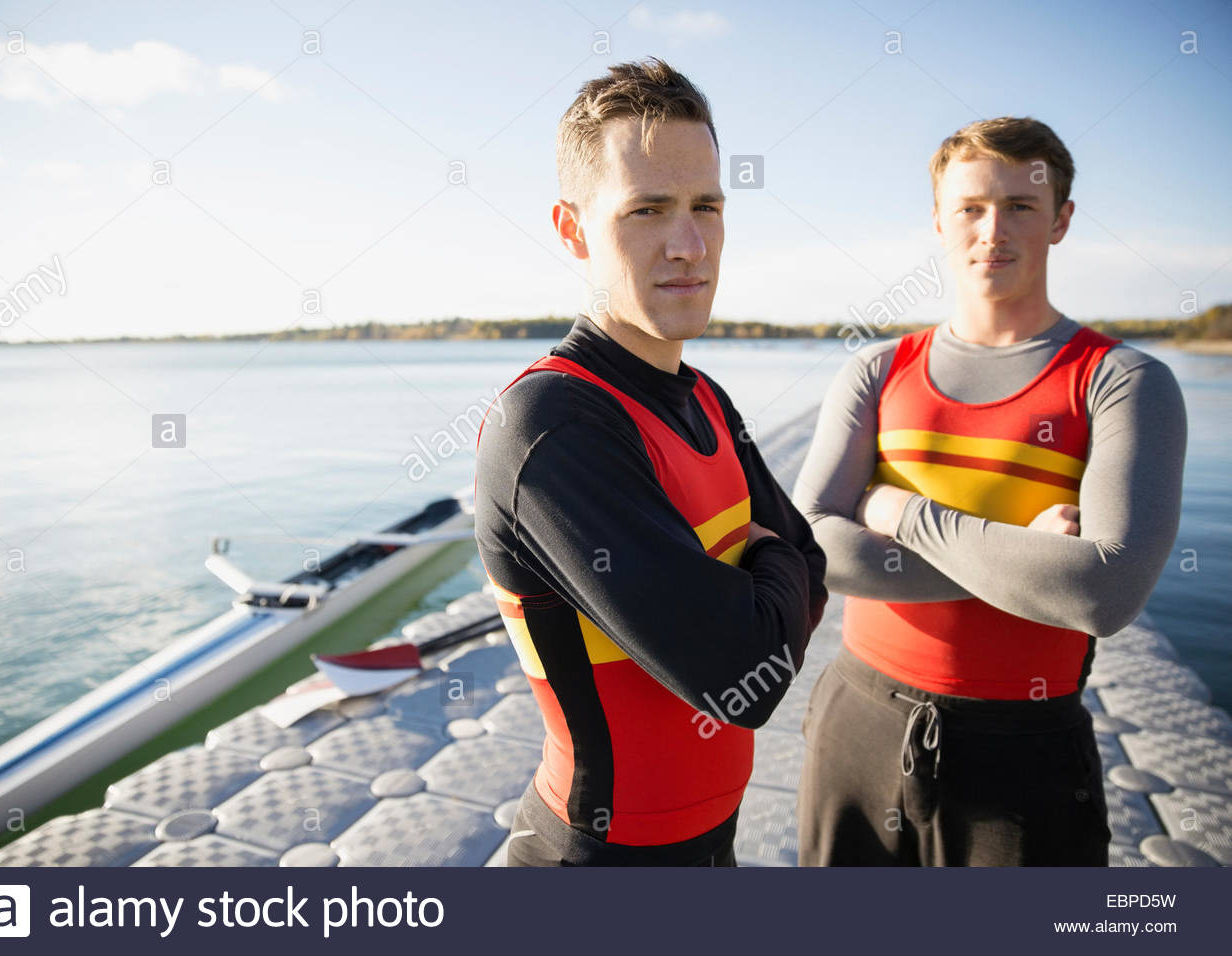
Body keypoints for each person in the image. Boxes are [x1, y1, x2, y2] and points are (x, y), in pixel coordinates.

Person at [792, 116, 1187, 866]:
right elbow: (813, 545)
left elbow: (1103, 596)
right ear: (939, 220)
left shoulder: (1122, 383)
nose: (992, 230)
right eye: (970, 207)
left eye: (1021, 206)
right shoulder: (877, 371)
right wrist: (1024, 564)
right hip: (857, 718)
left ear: (1062, 220)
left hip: (1023, 747)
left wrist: (893, 509)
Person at [475, 58, 827, 867]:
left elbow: (812, 562)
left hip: (712, 847)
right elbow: (749, 673)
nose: (690, 244)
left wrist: (771, 571)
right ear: (573, 230)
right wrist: (770, 562)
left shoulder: (701, 394)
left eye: (707, 205)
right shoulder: (555, 425)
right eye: (648, 210)